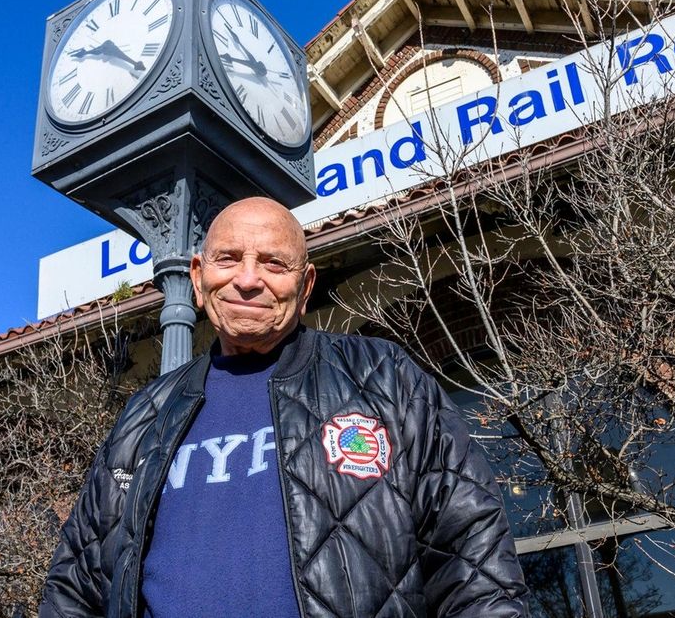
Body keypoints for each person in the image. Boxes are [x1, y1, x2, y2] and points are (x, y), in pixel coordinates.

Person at [40, 197, 528, 618]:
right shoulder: (145, 414)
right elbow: (76, 587)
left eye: (274, 263)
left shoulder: (384, 378)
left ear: (306, 282)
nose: (248, 280)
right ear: (197, 275)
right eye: (228, 259)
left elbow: (473, 558)